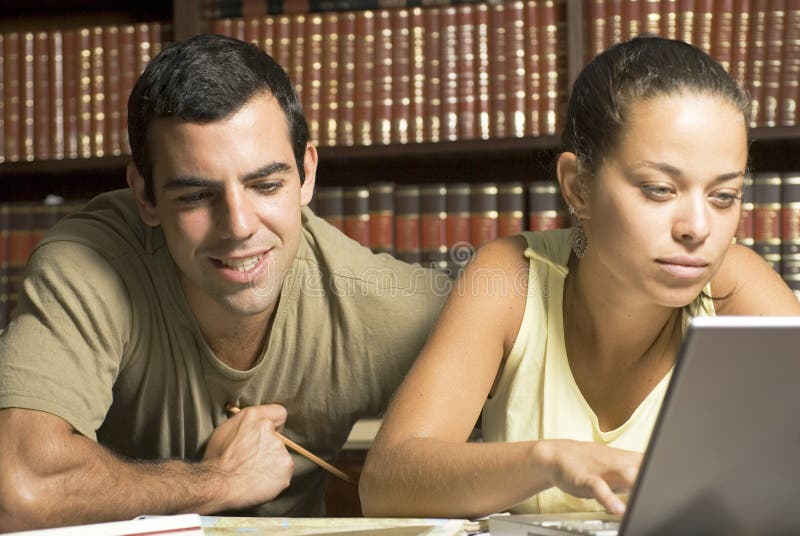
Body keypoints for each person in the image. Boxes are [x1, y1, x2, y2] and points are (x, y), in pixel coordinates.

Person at [0, 34, 447, 531]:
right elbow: (19, 489)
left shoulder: (379, 299)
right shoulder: (87, 261)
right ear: (145, 196)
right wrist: (215, 480)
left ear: (307, 174)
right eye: (195, 196)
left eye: (267, 185)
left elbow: (524, 316)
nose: (238, 226)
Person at [359, 35, 800, 519]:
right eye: (659, 190)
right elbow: (386, 483)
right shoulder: (512, 277)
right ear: (578, 187)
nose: (698, 228)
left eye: (723, 196)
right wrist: (550, 459)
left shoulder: (734, 285)